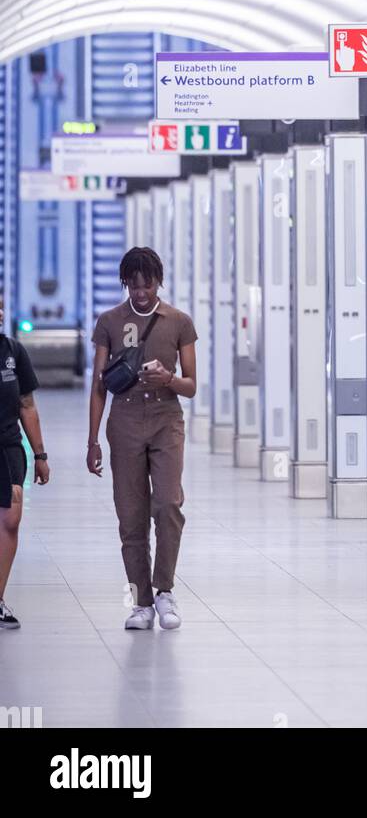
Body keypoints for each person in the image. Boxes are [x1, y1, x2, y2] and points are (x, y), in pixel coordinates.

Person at [87, 246, 197, 630]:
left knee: (168, 504)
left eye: (146, 285)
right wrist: (93, 440)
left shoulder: (179, 322)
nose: (140, 293)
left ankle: (164, 590)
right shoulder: (109, 322)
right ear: (125, 284)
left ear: (158, 282)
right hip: (125, 421)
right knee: (131, 517)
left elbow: (191, 386)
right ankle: (141, 602)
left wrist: (168, 379)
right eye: (132, 286)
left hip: (167, 419)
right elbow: (99, 385)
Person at [0, 294, 50, 628]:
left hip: (8, 447)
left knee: (10, 519)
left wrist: (41, 454)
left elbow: (27, 405)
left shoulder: (13, 352)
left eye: (0, 306)